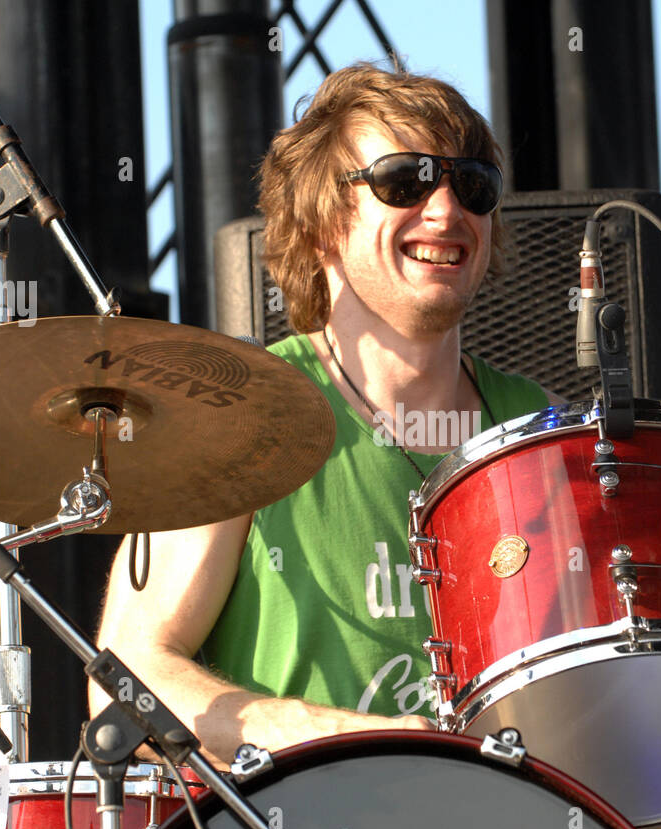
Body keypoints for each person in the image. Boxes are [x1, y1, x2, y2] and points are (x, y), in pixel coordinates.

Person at [92, 64, 550, 768]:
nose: (447, 209)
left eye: (473, 184)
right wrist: (326, 734)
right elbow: (125, 682)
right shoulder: (240, 414)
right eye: (406, 180)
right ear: (321, 224)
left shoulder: (542, 427)